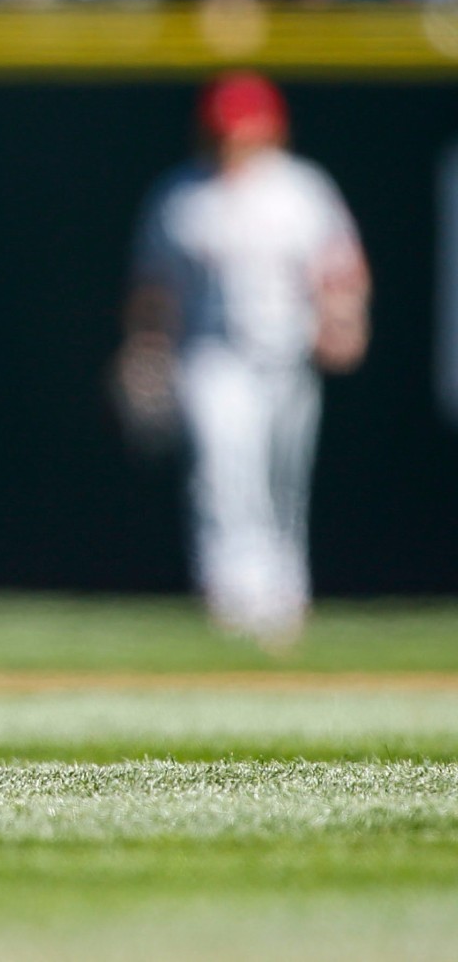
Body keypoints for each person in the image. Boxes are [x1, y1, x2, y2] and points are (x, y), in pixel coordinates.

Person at [116, 72, 370, 651]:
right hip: (211, 353)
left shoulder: (301, 189)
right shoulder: (183, 196)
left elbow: (340, 268)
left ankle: (283, 596)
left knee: (283, 477)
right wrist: (144, 352)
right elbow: (154, 290)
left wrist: (345, 320)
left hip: (288, 349)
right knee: (223, 472)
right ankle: (230, 592)